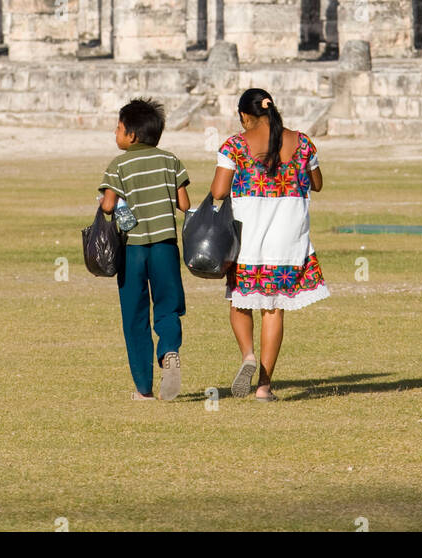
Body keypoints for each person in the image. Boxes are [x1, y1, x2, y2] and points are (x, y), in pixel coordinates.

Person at [211, 87, 329, 400]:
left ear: (245, 115)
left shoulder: (235, 145)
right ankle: (264, 386)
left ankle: (248, 355)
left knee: (240, 301)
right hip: (288, 240)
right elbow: (317, 184)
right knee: (274, 309)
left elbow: (219, 191)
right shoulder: (302, 142)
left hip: (248, 239)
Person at [99, 97, 191, 401]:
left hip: (132, 250)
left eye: (118, 128)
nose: (115, 133)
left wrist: (108, 203)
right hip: (165, 246)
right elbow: (184, 204)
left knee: (135, 314)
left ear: (132, 135)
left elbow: (109, 204)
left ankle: (143, 389)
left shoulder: (119, 165)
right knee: (167, 306)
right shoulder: (171, 160)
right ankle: (169, 350)